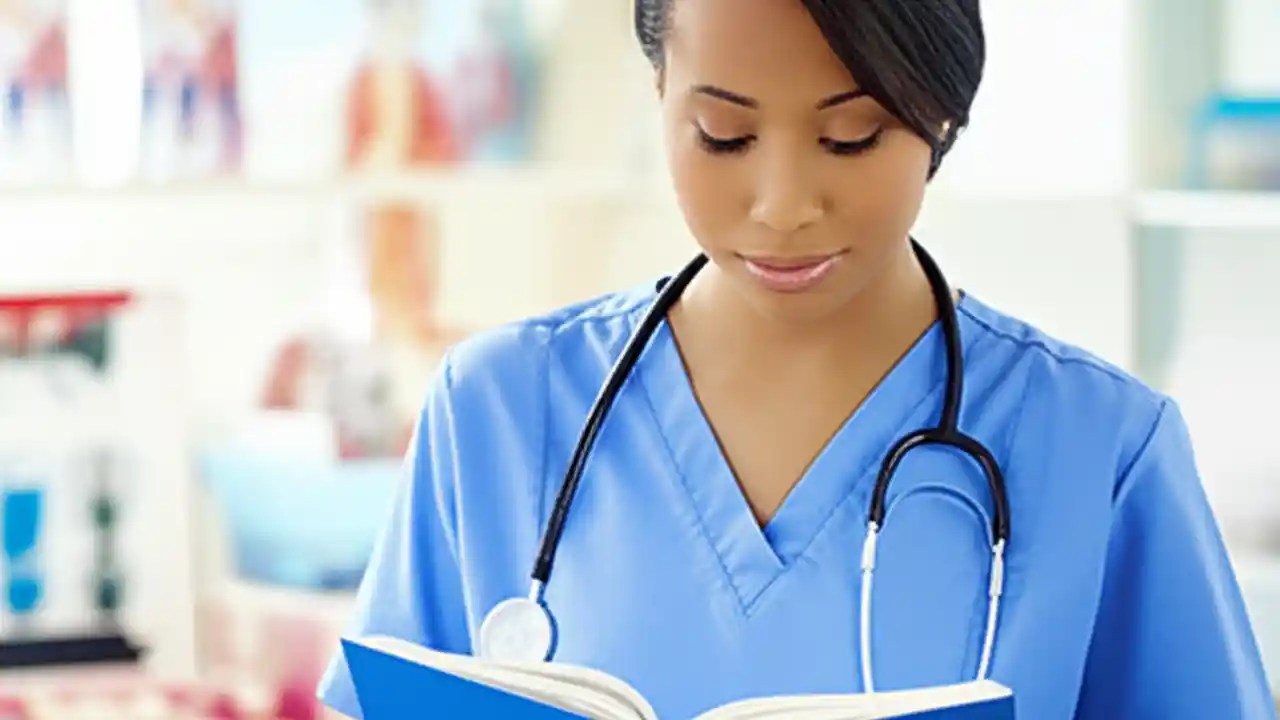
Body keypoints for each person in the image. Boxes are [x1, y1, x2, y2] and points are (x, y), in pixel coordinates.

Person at [317, 1, 1277, 718]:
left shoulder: (1099, 448)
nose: (781, 204)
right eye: (722, 135)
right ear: (660, 93)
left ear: (941, 114)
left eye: (849, 137)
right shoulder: (497, 412)